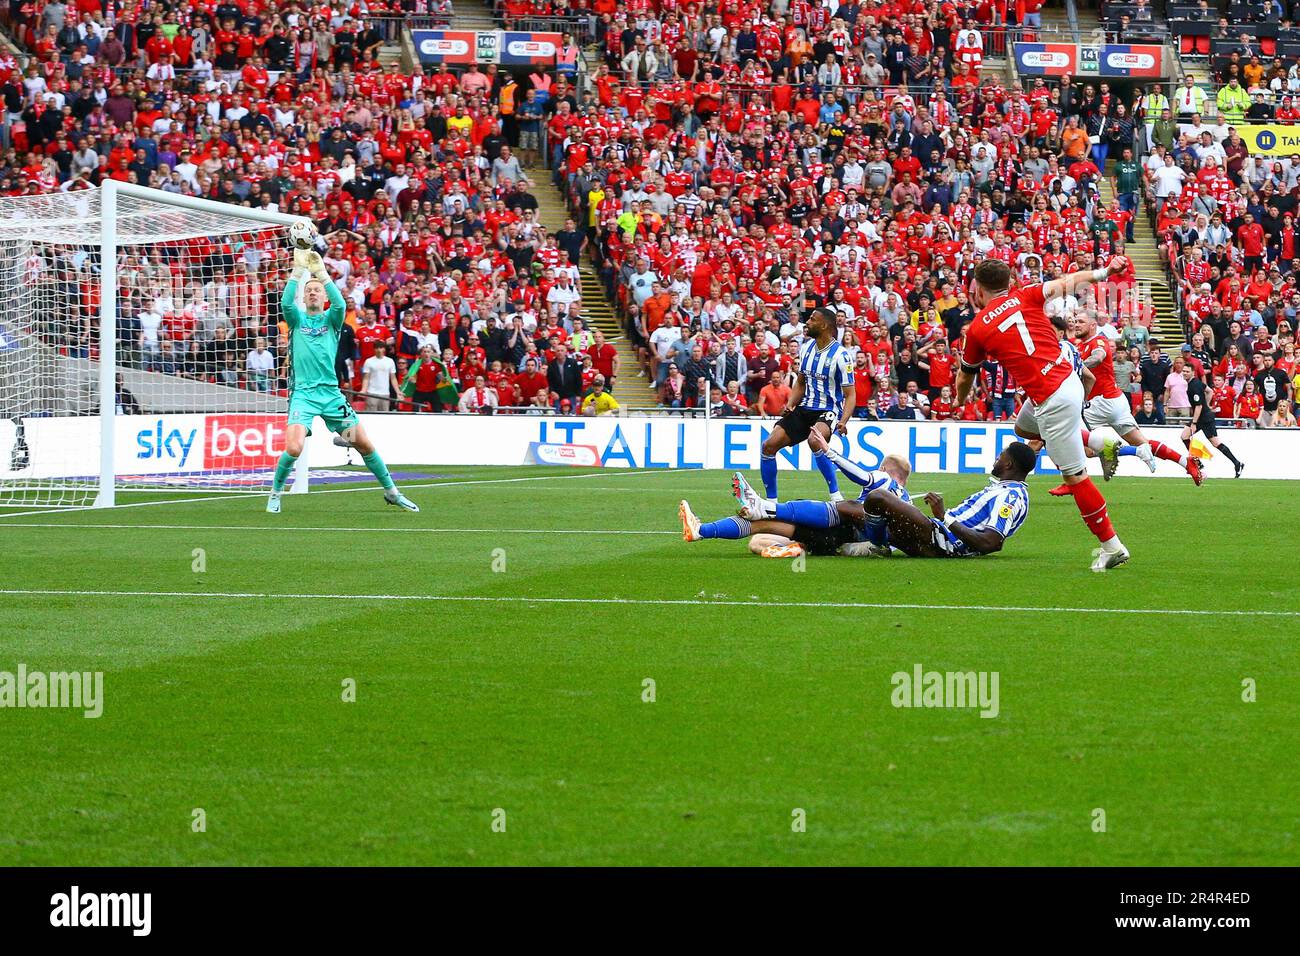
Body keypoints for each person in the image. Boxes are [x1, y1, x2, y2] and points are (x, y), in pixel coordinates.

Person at [955, 258, 1129, 571]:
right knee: (1023, 431)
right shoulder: (1025, 294)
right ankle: (1093, 441)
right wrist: (1105, 272)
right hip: (1067, 383)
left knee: (1075, 477)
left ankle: (1111, 546)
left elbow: (967, 375)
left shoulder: (978, 328)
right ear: (1008, 284)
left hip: (1052, 399)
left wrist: (958, 399)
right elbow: (1069, 281)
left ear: (977, 290)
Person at [267, 242, 418, 514]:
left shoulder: (332, 319)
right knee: (294, 447)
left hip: (331, 397)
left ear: (322, 297)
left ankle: (392, 492)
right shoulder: (297, 319)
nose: (312, 293)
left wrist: (322, 274)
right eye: (308, 290)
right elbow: (284, 301)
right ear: (304, 297)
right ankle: (275, 494)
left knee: (364, 444)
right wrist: (298, 271)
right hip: (303, 395)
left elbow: (339, 302)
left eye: (317, 291)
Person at [679, 447, 912, 558]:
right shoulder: (907, 503)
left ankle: (702, 530)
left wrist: (831, 454)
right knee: (757, 539)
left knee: (761, 523)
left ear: (884, 468)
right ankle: (792, 548)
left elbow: (864, 477)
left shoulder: (882, 478)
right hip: (838, 542)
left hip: (838, 528)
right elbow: (894, 544)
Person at [1067, 310, 1202, 485]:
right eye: (1075, 321)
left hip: (1099, 402)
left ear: (1093, 325)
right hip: (1115, 401)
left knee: (1080, 443)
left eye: (1081, 322)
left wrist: (1077, 367)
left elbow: (1098, 357)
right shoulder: (1079, 345)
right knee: (1143, 443)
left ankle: (1075, 482)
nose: (1076, 324)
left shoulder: (1098, 341)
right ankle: (1186, 462)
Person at [749, 307, 856, 509]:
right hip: (805, 407)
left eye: (813, 320)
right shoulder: (806, 348)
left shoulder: (841, 356)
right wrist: (791, 403)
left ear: (824, 325)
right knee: (768, 446)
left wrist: (843, 421)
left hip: (828, 410)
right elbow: (800, 381)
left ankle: (836, 496)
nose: (807, 323)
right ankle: (771, 504)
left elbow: (850, 394)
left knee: (815, 440)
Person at [1180, 363, 1245, 477]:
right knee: (1185, 436)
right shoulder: (1197, 383)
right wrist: (1208, 405)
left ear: (1192, 372)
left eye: (1187, 371)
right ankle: (1198, 462)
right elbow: (1210, 391)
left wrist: (1194, 422)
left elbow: (1199, 406)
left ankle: (1236, 463)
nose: (1184, 373)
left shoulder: (1194, 386)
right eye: (1183, 371)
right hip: (1203, 415)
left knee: (1215, 442)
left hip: (1203, 418)